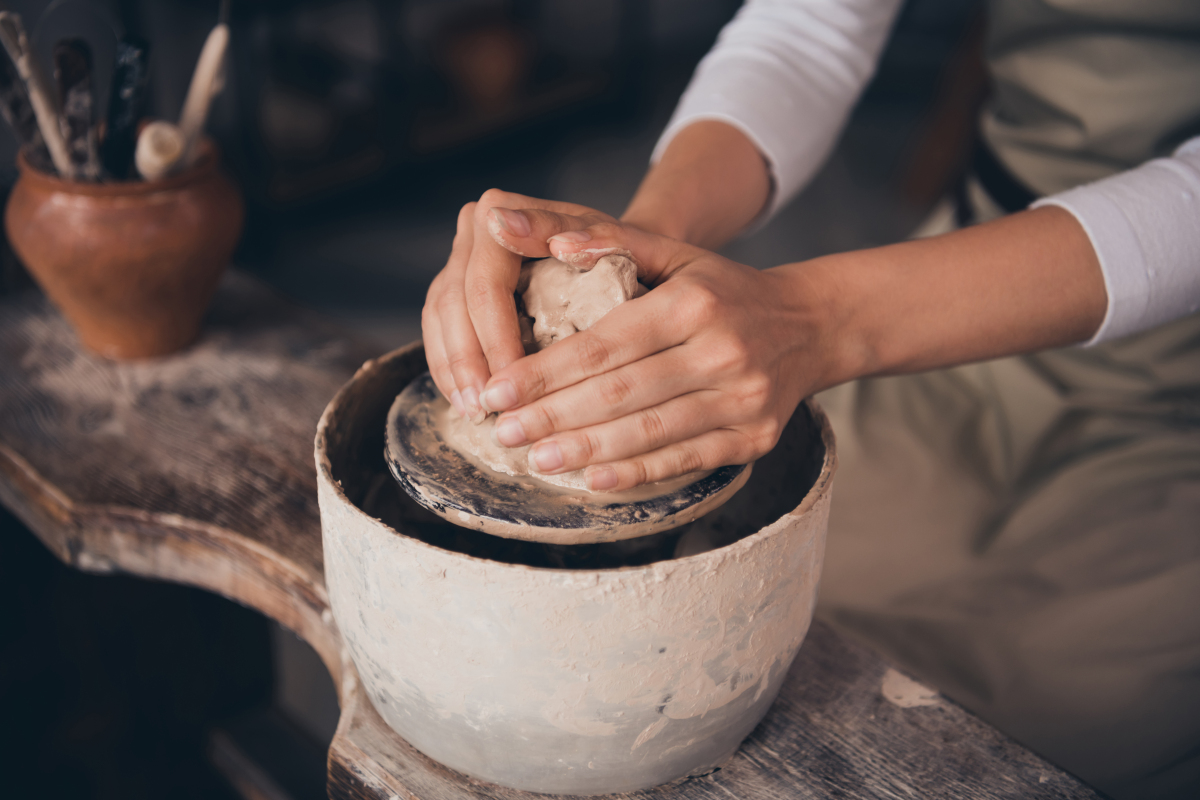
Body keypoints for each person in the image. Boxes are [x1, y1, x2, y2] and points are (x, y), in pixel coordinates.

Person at [422, 1, 1200, 797]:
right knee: (730, 635)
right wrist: (623, 260)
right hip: (961, 312)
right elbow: (811, 27)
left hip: (1143, 383)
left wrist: (820, 322)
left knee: (1010, 744)